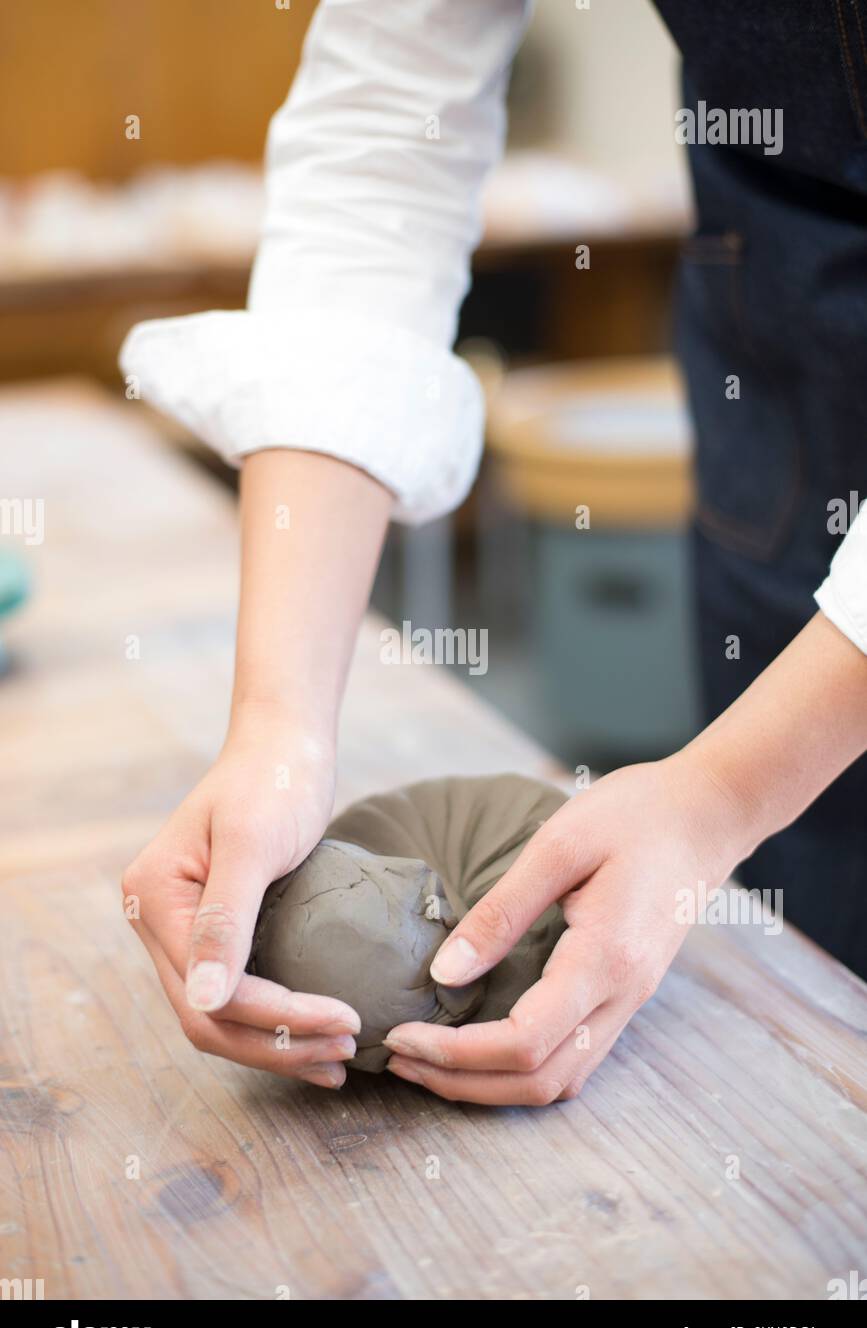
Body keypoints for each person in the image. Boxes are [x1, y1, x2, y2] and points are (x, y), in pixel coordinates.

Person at [119, 0, 867, 1105]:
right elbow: (386, 134)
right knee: (810, 975)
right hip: (786, 307)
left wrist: (720, 795)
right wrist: (276, 723)